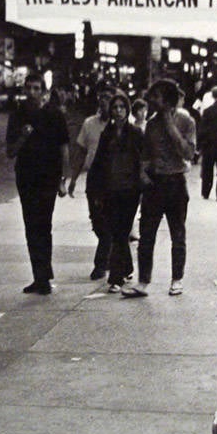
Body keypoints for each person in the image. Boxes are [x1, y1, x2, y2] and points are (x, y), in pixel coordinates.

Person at [122, 78, 196, 298]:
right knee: (147, 235)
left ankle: (177, 279)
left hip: (175, 181)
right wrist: (144, 173)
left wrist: (169, 124)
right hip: (155, 183)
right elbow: (146, 154)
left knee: (178, 234)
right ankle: (144, 280)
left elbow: (188, 152)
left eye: (156, 96)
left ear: (167, 99)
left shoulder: (185, 121)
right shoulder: (152, 124)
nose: (152, 101)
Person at [6, 73, 70, 295]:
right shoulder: (17, 115)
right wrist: (23, 137)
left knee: (43, 225)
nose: (31, 92)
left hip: (48, 178)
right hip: (26, 177)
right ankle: (39, 275)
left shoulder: (54, 115)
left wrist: (63, 179)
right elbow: (10, 151)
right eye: (28, 88)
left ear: (43, 91)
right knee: (31, 226)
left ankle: (44, 275)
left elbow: (64, 148)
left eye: (36, 88)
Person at [86, 91, 143, 293]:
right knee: (117, 231)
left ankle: (116, 276)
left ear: (127, 110)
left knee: (120, 231)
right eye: (115, 108)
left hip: (129, 189)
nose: (118, 111)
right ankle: (124, 269)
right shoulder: (106, 135)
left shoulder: (135, 134)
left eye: (122, 107)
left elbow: (142, 162)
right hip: (110, 189)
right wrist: (94, 190)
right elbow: (98, 164)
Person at [68, 83, 115, 280]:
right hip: (95, 178)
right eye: (102, 97)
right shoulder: (89, 124)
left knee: (111, 221)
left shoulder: (121, 125)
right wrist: (72, 178)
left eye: (109, 98)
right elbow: (81, 152)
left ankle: (101, 263)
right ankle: (111, 254)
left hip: (115, 178)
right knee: (97, 221)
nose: (105, 101)